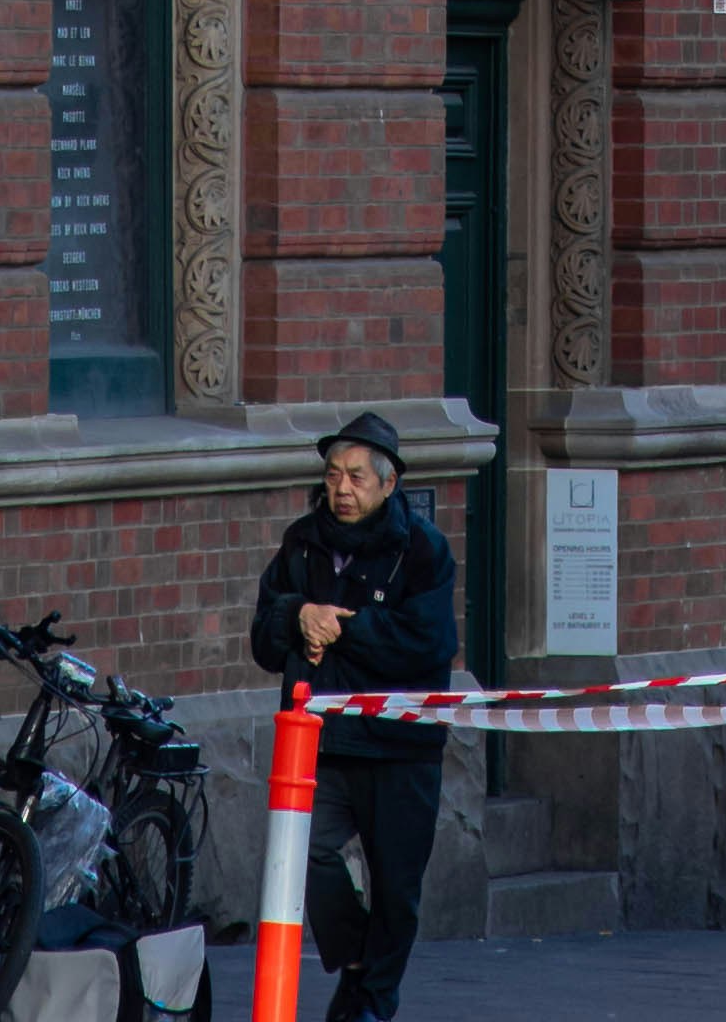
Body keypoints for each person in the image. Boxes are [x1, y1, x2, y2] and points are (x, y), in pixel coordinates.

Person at [248, 421, 456, 1022]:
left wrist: (340, 626)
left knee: (396, 887)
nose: (342, 488)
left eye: (356, 477)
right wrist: (297, 614)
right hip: (321, 745)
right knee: (304, 857)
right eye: (333, 475)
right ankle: (358, 964)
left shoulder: (423, 551)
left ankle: (372, 1003)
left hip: (400, 747)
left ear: (388, 485)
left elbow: (428, 643)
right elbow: (264, 640)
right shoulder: (301, 544)